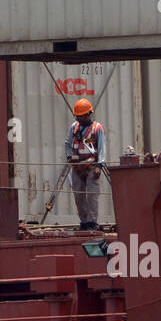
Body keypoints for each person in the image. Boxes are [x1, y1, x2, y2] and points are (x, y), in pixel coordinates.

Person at [65, 98, 106, 231]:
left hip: (91, 167)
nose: (78, 118)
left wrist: (99, 166)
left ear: (88, 114)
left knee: (92, 196)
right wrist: (69, 156)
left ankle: (92, 222)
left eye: (80, 116)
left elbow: (101, 148)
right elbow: (68, 143)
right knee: (79, 196)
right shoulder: (74, 127)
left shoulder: (97, 128)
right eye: (77, 116)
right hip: (77, 168)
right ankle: (84, 222)